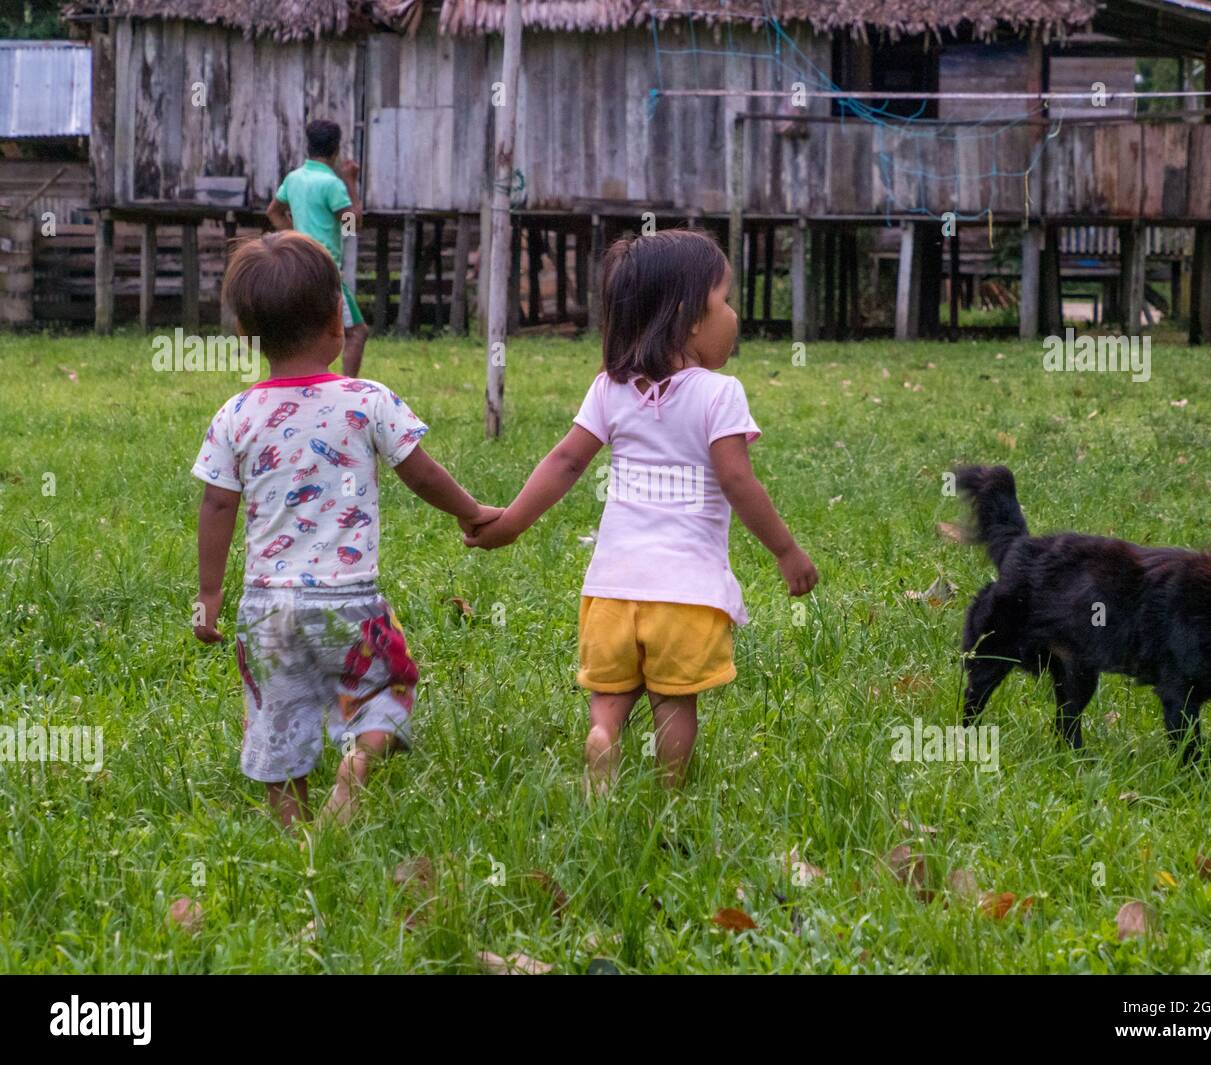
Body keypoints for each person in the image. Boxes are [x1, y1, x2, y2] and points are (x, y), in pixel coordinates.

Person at [465, 229, 819, 792]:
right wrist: (786, 549)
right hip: (685, 595)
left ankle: (603, 737)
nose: (732, 315)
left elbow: (565, 463)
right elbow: (736, 478)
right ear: (690, 315)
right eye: (723, 300)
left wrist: (509, 522)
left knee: (609, 696)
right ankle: (669, 791)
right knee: (675, 701)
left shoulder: (610, 388)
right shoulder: (719, 393)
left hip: (610, 589)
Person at [191, 231, 500, 827]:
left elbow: (216, 506)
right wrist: (470, 511)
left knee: (278, 730)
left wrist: (208, 596)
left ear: (245, 335)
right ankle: (356, 764)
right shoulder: (367, 400)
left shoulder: (234, 415)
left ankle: (297, 847)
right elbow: (422, 474)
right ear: (339, 319)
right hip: (349, 602)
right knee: (389, 691)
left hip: (267, 609)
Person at [268, 119, 369, 376]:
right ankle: (347, 390)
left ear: (308, 146)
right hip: (326, 270)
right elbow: (352, 224)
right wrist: (351, 183)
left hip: (300, 265)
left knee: (307, 333)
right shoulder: (331, 184)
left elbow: (274, 211)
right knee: (356, 333)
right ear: (336, 149)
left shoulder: (294, 179)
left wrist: (295, 239)